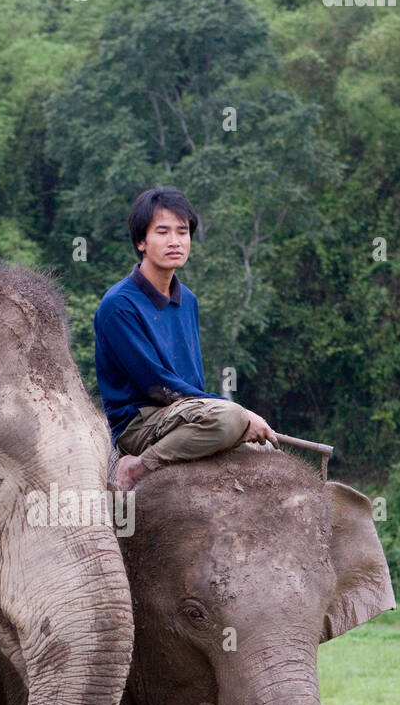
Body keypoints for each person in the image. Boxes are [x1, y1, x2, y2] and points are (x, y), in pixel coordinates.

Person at [94, 185, 276, 489]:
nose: (175, 241)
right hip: (141, 421)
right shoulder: (118, 305)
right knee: (230, 419)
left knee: (265, 447)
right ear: (141, 241)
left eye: (182, 231)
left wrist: (225, 415)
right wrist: (240, 414)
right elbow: (156, 384)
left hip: (184, 413)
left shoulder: (187, 300)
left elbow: (192, 382)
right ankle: (138, 468)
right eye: (163, 232)